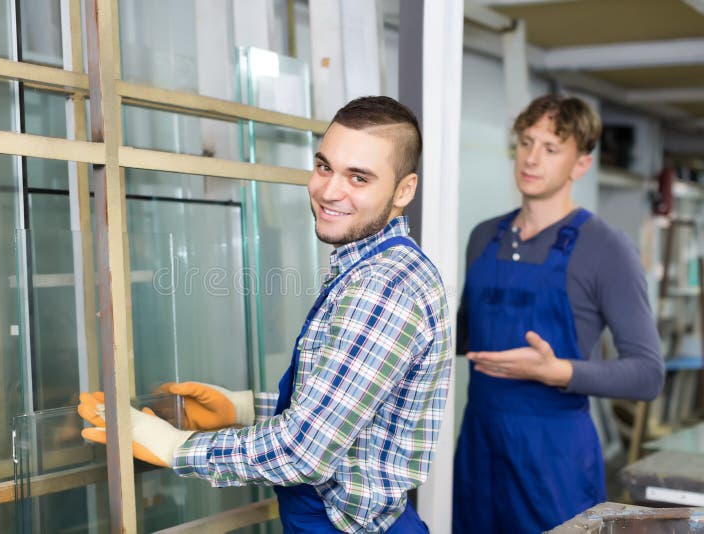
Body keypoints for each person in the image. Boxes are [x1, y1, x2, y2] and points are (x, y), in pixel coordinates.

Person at [78, 96, 453, 533]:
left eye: (359, 177)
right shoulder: (375, 267)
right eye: (324, 166)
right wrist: (241, 408)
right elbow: (348, 413)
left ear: (403, 191)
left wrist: (174, 445)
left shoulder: (383, 285)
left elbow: (304, 451)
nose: (329, 191)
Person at [452, 94, 664, 533]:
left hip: (553, 460)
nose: (531, 159)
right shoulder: (482, 237)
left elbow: (648, 374)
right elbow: (463, 338)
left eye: (551, 148)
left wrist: (560, 371)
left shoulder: (606, 248)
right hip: (479, 449)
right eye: (526, 142)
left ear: (580, 165)